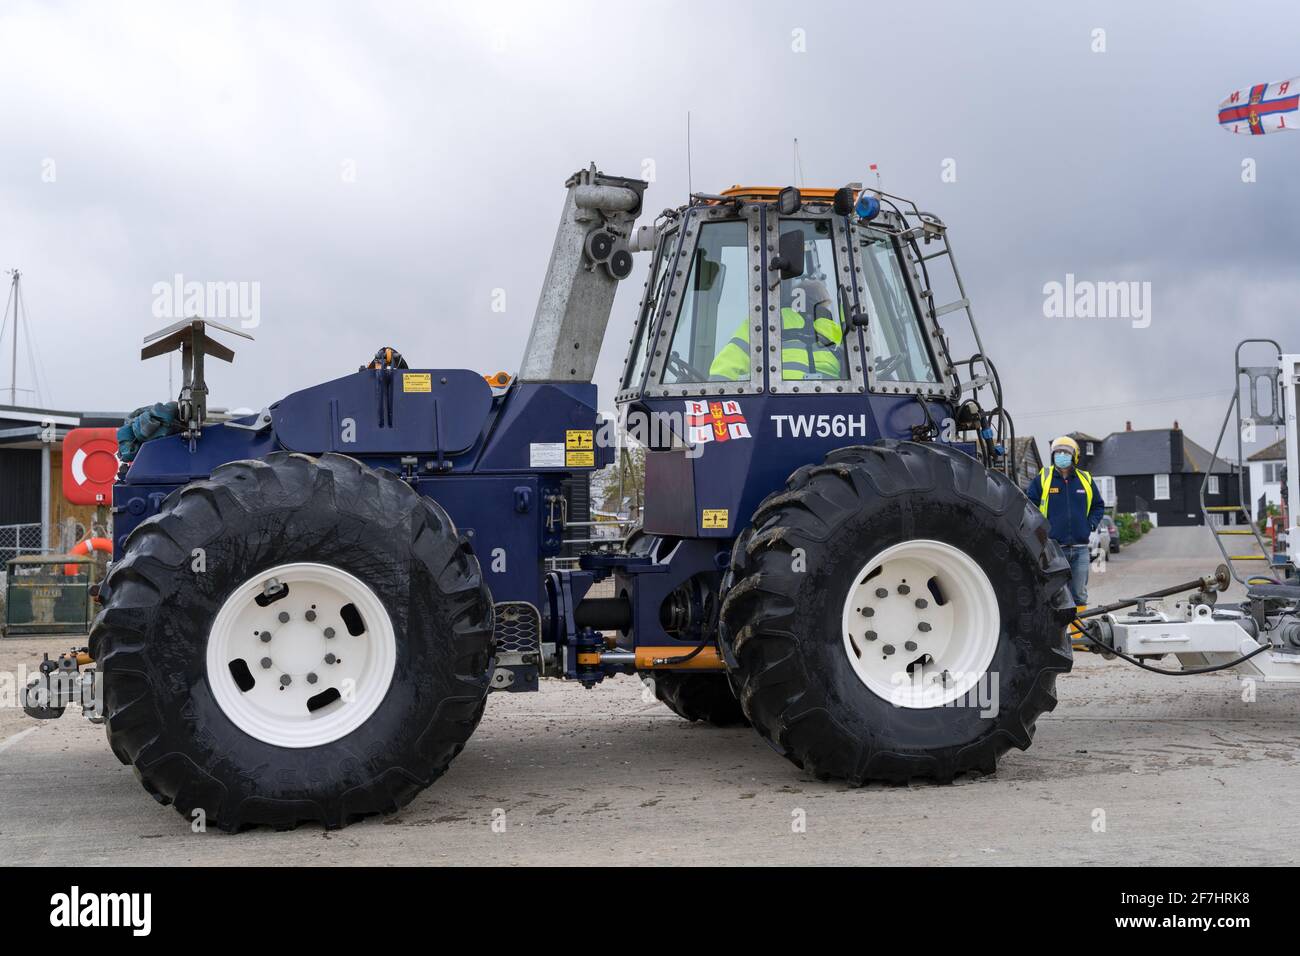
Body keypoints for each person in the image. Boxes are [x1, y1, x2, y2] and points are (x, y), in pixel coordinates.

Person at [1024, 436, 1105, 629]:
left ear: (1075, 456)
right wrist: (1041, 532)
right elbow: (1029, 507)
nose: (1061, 456)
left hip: (1080, 549)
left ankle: (1078, 637)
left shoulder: (1085, 480)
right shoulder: (1043, 479)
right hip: (1053, 549)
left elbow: (1098, 506)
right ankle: (1057, 635)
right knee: (1055, 594)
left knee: (1079, 594)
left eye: (1065, 453)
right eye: (1058, 453)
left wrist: (1090, 525)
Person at [709, 277, 845, 380]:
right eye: (826, 306)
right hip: (831, 404)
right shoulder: (836, 332)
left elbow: (728, 364)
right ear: (819, 304)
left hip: (777, 403)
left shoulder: (763, 322)